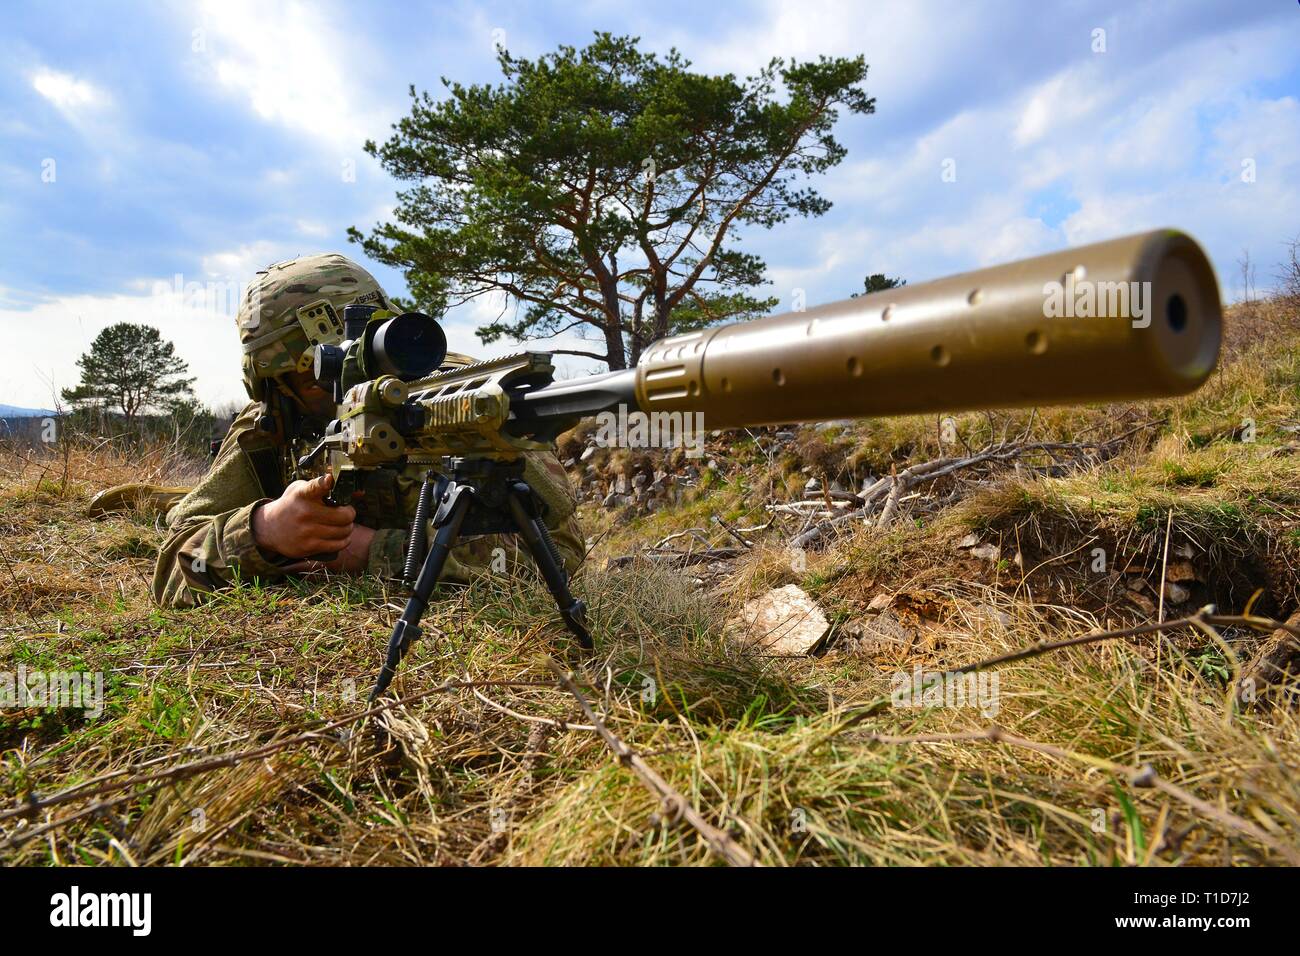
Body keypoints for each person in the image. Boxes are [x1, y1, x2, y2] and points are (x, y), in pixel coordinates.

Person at [152, 253, 583, 608]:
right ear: (275, 388)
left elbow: (560, 554)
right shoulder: (270, 427)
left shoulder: (465, 399)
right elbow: (174, 568)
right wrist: (264, 530)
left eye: (369, 363)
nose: (357, 390)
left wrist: (377, 552)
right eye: (322, 375)